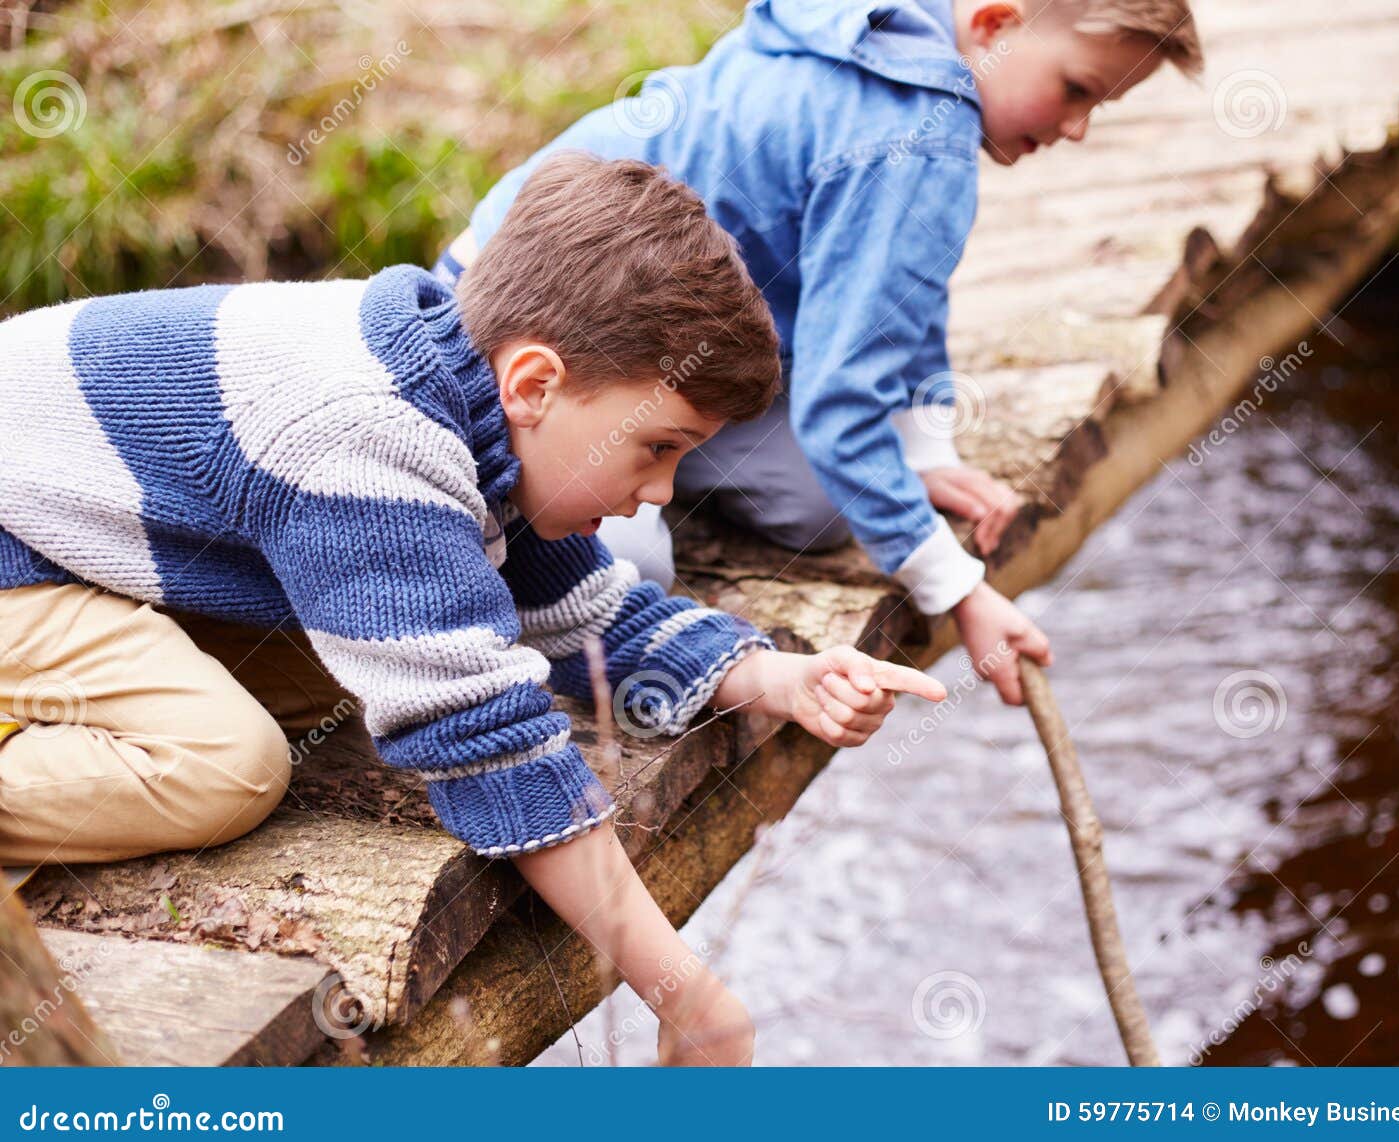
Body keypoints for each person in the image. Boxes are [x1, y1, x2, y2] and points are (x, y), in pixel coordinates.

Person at [0, 154, 945, 1065]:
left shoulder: (470, 399)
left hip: (86, 550)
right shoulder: (366, 441)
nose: (661, 492)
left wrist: (778, 674)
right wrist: (685, 993)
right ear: (535, 383)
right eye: (655, 446)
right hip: (16, 553)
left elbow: (575, 614)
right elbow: (488, 741)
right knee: (226, 762)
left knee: (356, 669)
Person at [437, 0, 1204, 704]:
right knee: (636, 568)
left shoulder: (874, 30)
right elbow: (841, 410)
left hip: (591, 313)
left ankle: (658, 446)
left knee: (824, 503)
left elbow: (901, 292)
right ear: (998, 25)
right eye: (1077, 91)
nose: (1078, 129)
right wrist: (959, 590)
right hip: (544, 339)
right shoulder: (919, 134)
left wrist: (920, 446)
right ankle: (462, 560)